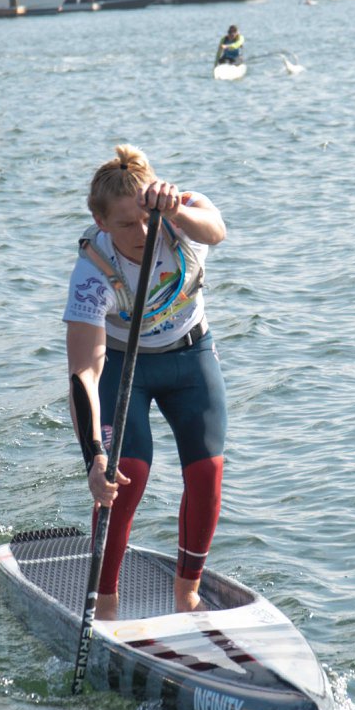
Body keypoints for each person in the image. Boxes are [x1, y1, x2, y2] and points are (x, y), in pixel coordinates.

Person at [66, 145, 228, 619]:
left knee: (207, 473)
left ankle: (187, 594)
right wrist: (94, 456)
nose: (142, 233)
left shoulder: (175, 215)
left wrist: (174, 207)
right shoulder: (91, 276)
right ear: (101, 223)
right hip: (124, 369)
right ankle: (107, 602)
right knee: (125, 477)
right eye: (125, 225)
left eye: (143, 219)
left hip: (191, 358)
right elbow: (84, 373)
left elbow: (217, 231)